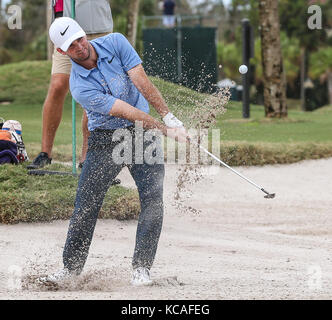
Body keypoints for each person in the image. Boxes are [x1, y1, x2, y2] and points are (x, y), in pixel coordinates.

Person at [38, 17, 188, 286]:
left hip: (143, 136)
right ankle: (71, 269)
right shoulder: (79, 86)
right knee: (86, 204)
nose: (80, 46)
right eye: (71, 45)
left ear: (85, 34)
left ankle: (141, 268)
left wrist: (168, 117)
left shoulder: (116, 42)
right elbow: (126, 112)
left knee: (153, 199)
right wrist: (166, 131)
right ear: (61, 52)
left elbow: (140, 80)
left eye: (80, 38)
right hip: (106, 139)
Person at [27, 0, 114, 170]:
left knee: (96, 91)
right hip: (65, 31)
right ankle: (45, 154)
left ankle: (87, 158)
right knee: (58, 85)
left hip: (98, 27)